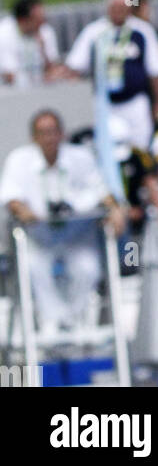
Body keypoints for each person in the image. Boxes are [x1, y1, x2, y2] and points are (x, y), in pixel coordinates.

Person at [0, 110, 126, 335]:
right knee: (33, 267)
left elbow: (102, 191)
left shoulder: (82, 158)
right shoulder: (19, 160)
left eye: (53, 132)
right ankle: (51, 322)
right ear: (33, 137)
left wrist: (115, 211)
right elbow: (10, 196)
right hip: (39, 238)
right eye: (43, 133)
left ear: (62, 134)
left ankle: (74, 320)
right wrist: (22, 209)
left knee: (87, 267)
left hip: (75, 237)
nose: (49, 138)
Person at [65, 0, 158, 149]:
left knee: (141, 146)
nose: (119, 12)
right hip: (105, 102)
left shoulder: (143, 30)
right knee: (108, 146)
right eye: (115, 8)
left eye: (122, 8)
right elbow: (75, 65)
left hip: (135, 102)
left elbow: (156, 69)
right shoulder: (94, 32)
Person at [0, 0, 63, 86]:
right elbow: (9, 75)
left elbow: (54, 68)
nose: (42, 23)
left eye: (43, 18)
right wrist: (43, 78)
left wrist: (43, 51)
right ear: (23, 20)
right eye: (38, 20)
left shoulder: (45, 31)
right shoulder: (4, 34)